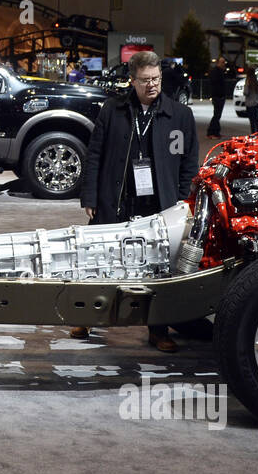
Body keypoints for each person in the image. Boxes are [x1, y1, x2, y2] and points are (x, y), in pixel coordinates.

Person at [71, 50, 199, 352]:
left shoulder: (179, 115)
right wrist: (89, 196)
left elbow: (187, 163)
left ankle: (157, 330)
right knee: (99, 260)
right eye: (145, 80)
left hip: (160, 204)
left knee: (159, 266)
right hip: (116, 199)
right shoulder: (112, 110)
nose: (152, 85)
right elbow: (95, 155)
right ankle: (88, 318)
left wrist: (183, 200)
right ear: (132, 80)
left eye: (156, 79)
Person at [206, 56, 228, 137]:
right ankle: (211, 131)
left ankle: (216, 131)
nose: (223, 64)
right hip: (218, 96)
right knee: (217, 115)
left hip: (219, 95)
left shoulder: (220, 71)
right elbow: (216, 84)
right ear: (218, 62)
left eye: (224, 62)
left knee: (217, 114)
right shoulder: (216, 72)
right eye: (222, 62)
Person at [243, 63, 258, 133]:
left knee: (251, 120)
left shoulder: (248, 81)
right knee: (256, 119)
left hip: (249, 103)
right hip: (256, 102)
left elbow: (246, 92)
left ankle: (253, 133)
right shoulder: (256, 82)